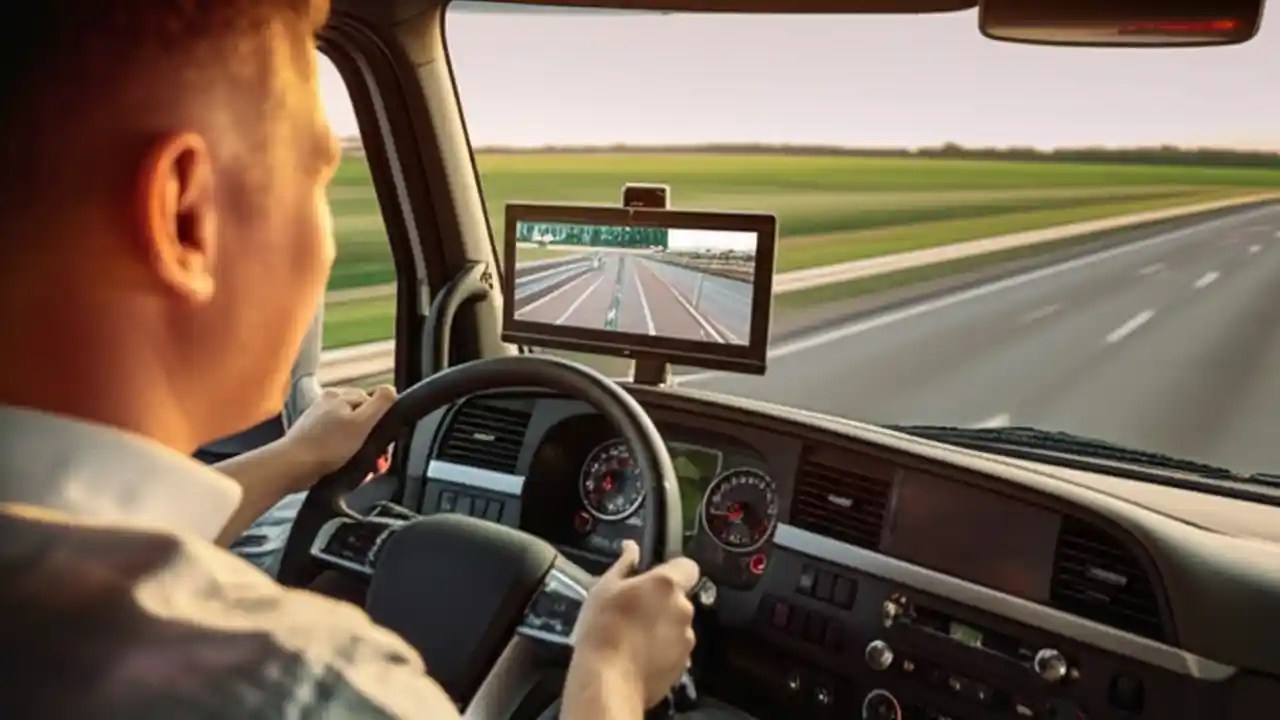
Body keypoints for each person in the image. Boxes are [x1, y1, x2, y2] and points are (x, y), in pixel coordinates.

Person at [0, 1, 699, 718]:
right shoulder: (309, 686)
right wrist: (610, 672)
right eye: (319, 178)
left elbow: (101, 536)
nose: (329, 244)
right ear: (187, 216)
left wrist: (295, 458)